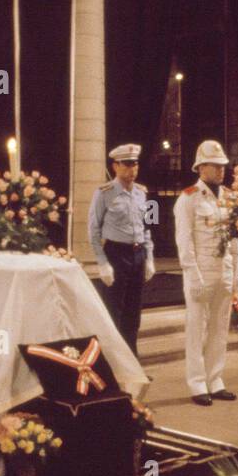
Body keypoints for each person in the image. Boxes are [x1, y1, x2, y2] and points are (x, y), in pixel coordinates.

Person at [175, 139, 238, 406]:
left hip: (224, 271)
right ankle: (197, 383)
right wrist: (192, 274)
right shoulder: (188, 197)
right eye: (215, 166)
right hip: (201, 270)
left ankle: (216, 380)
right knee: (197, 329)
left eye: (222, 165)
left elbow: (237, 236)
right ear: (201, 167)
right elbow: (184, 239)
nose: (220, 170)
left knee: (219, 329)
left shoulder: (230, 197)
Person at [88, 143, 153, 354]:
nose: (132, 169)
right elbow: (93, 230)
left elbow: (147, 228)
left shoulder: (142, 193)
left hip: (137, 254)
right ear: (115, 166)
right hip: (116, 254)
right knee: (114, 311)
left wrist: (149, 257)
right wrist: (102, 262)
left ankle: (131, 360)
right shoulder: (104, 193)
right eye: (126, 165)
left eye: (135, 165)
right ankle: (114, 363)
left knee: (133, 313)